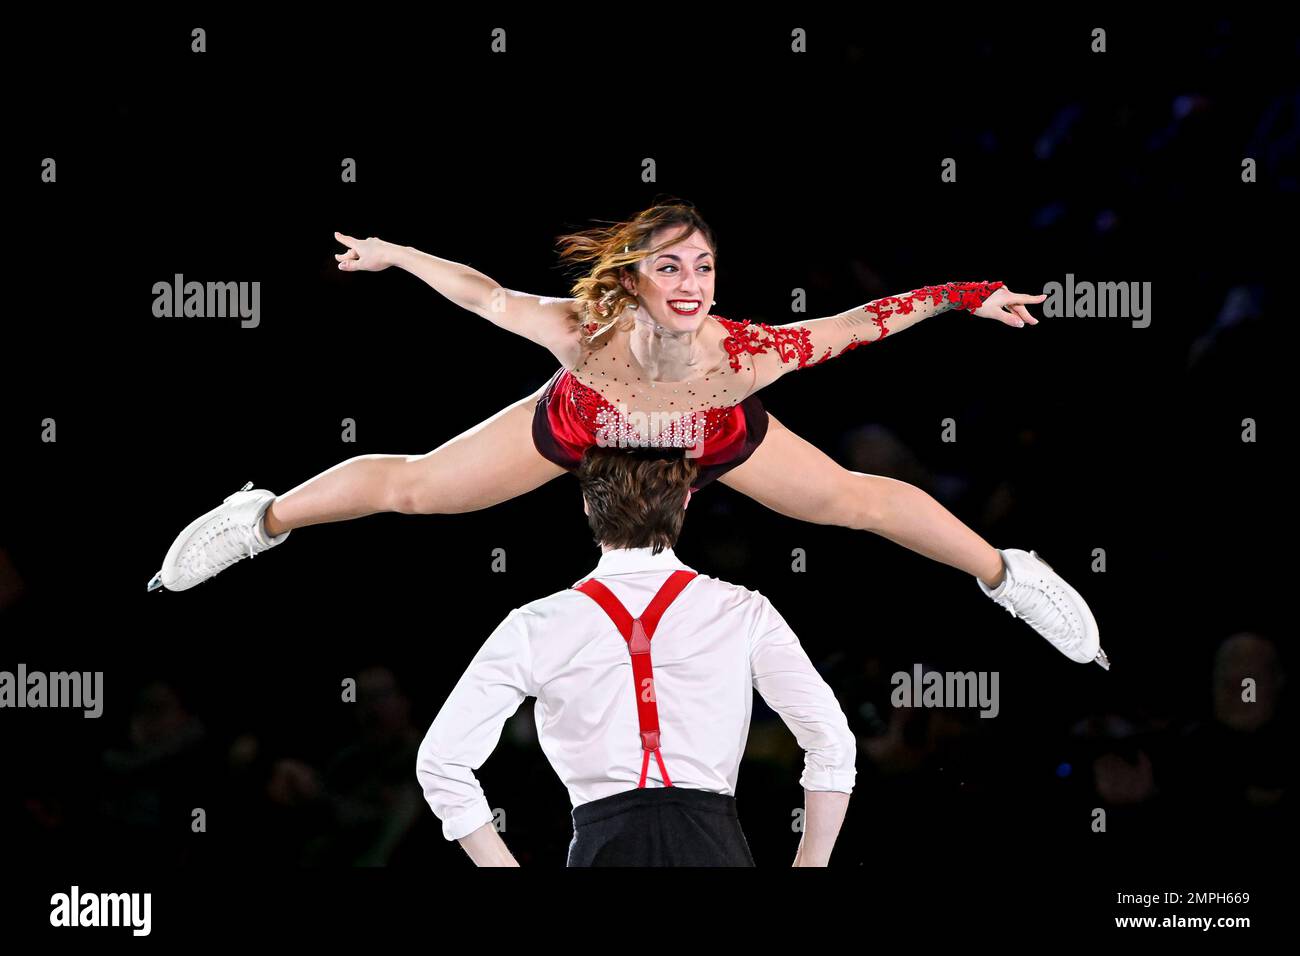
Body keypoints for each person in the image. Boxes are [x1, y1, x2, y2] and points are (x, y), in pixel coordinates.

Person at [146, 200, 1107, 669]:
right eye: (672, 268)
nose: (693, 282)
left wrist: (965, 297)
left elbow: (863, 320)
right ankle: (261, 516)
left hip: (716, 435)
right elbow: (482, 292)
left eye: (705, 267)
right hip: (578, 427)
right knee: (416, 487)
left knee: (854, 502)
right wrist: (398, 257)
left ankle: (1009, 576)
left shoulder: (747, 354)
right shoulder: (579, 332)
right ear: (638, 280)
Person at [416, 446, 856, 866]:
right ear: (685, 499)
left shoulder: (536, 624)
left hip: (602, 848)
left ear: (588, 504)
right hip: (714, 849)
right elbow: (832, 741)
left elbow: (441, 763)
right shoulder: (743, 612)